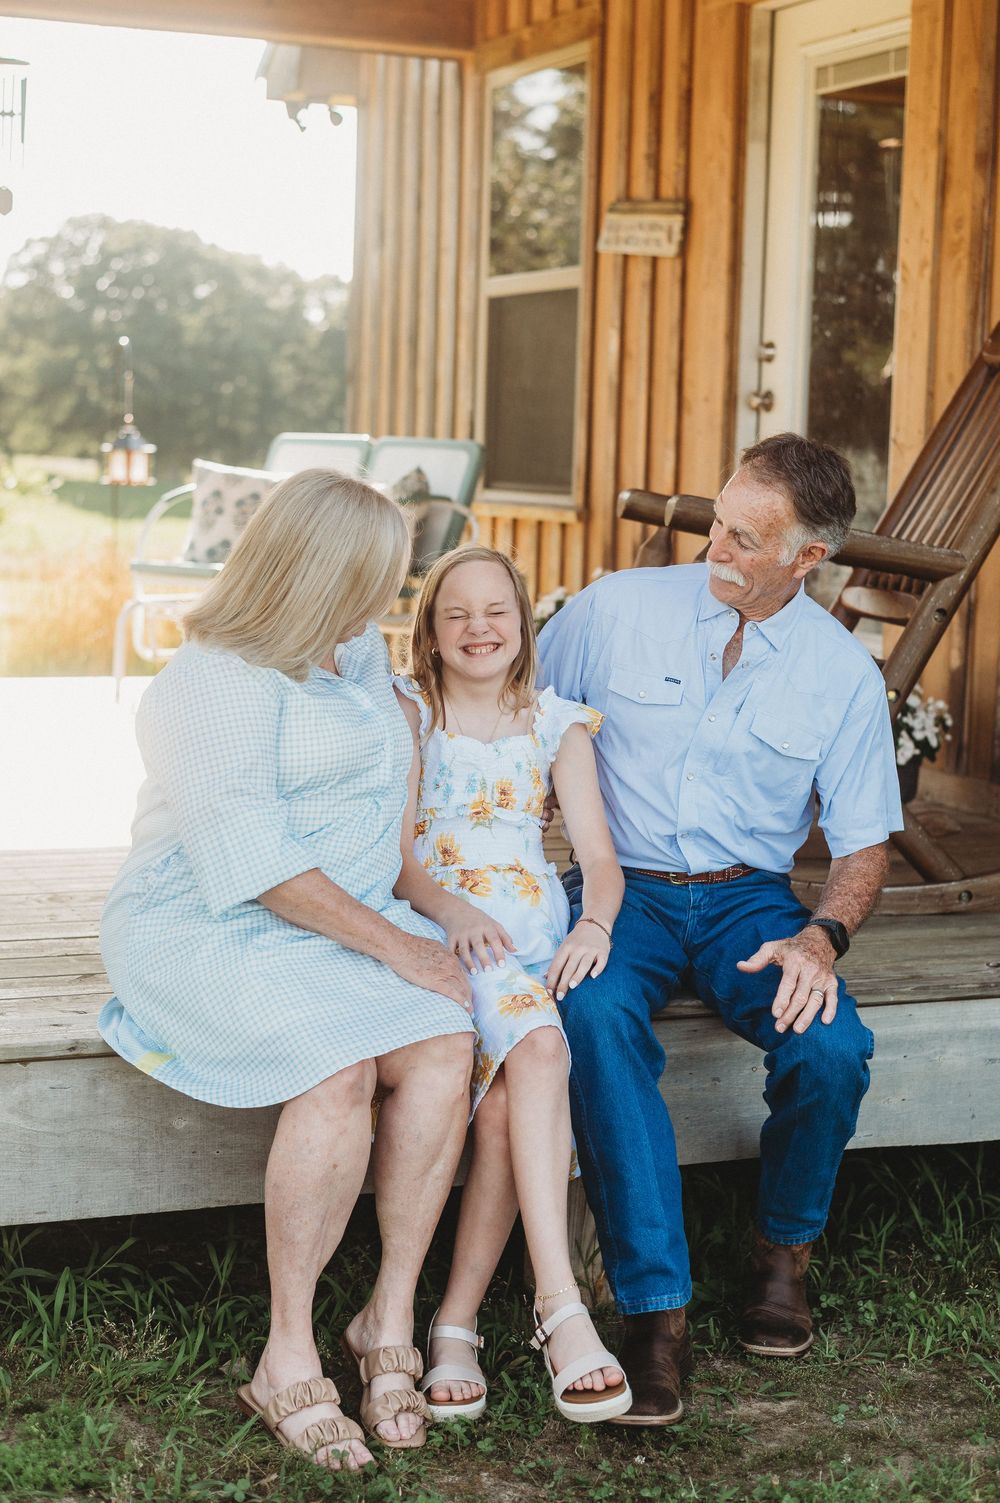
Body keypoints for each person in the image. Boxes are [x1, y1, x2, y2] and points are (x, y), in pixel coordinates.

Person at [99, 470, 477, 1471]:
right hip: (207, 924)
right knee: (339, 1066)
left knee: (445, 1042)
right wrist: (399, 944)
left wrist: (416, 920)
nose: (388, 603)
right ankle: (287, 1351)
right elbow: (249, 863)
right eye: (376, 581)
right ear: (315, 576)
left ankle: (386, 1320)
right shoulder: (208, 683)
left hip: (338, 925)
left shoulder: (350, 654)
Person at [538, 433, 904, 1426]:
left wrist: (818, 938)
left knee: (831, 1048)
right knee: (595, 1018)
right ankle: (656, 1314)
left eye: (745, 539)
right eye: (717, 521)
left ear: (806, 560)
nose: (716, 547)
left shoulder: (839, 674)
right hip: (625, 891)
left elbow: (865, 845)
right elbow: (510, 715)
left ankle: (781, 1256)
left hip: (753, 899)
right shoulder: (613, 610)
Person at [392, 546, 633, 1425]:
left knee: (502, 1109)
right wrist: (450, 910)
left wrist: (593, 924)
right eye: (457, 614)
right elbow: (403, 862)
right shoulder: (412, 713)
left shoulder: (556, 723)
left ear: (524, 623)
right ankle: (560, 1307)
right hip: (447, 942)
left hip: (529, 950)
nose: (478, 629)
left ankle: (454, 1324)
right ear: (431, 629)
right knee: (538, 1048)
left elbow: (600, 861)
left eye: (497, 611)